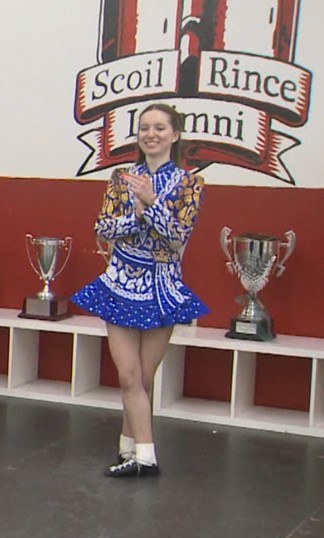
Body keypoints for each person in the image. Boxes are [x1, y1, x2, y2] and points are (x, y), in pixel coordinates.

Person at [71, 103, 208, 478]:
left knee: (144, 378)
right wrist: (137, 214)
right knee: (128, 375)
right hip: (120, 283)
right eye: (145, 127)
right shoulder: (120, 179)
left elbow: (179, 234)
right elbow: (104, 228)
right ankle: (147, 458)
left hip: (163, 286)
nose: (151, 134)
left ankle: (128, 446)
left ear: (175, 134)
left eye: (160, 127)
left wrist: (150, 203)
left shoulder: (190, 183)